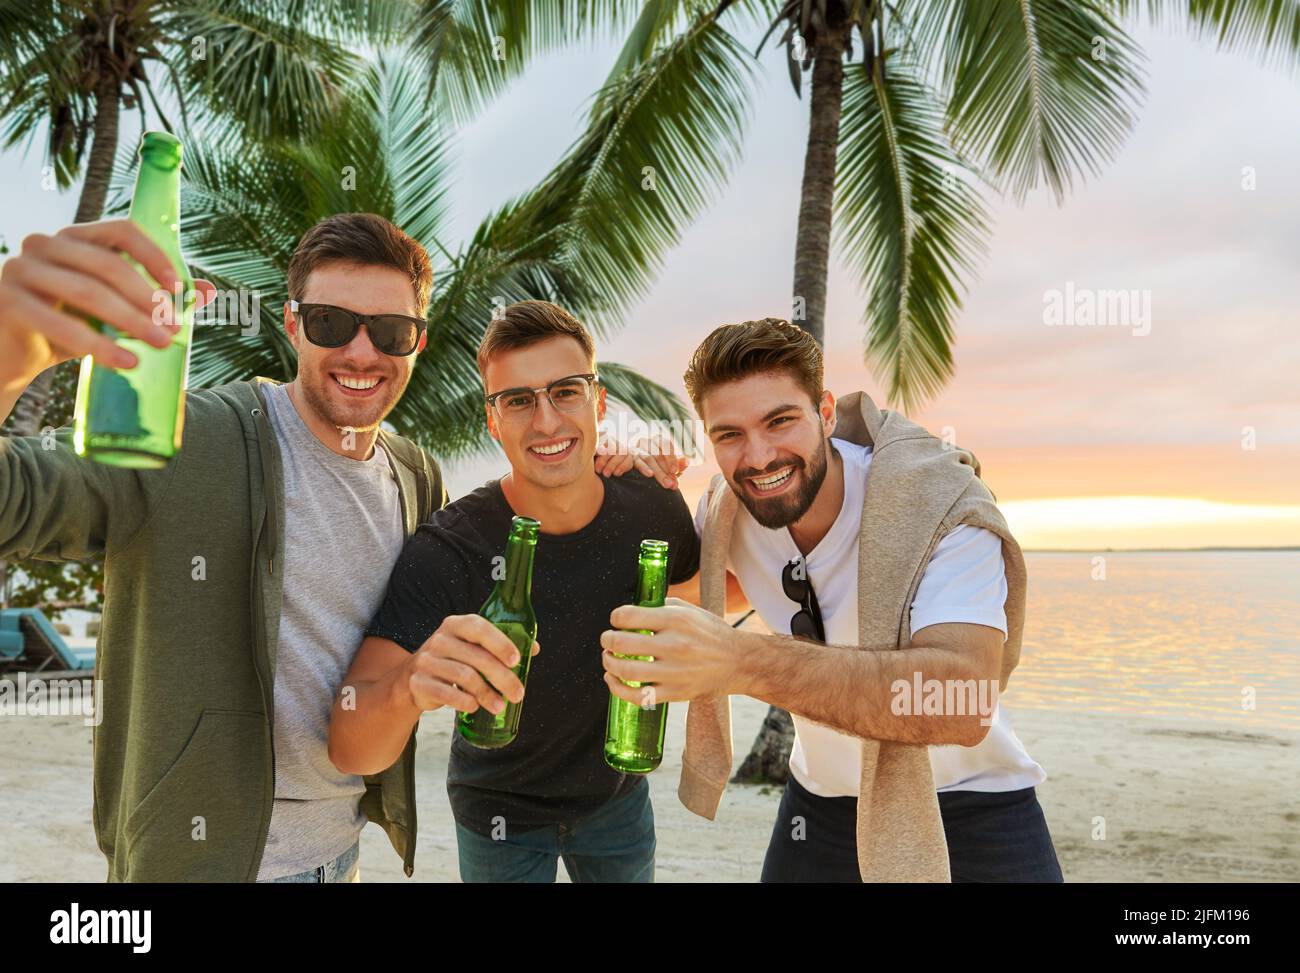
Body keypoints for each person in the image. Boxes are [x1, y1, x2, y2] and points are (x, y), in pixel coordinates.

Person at [601, 317, 1062, 882]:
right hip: (818, 807)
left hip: (972, 810)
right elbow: (679, 599)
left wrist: (742, 662)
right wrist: (619, 484)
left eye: (780, 421)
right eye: (730, 434)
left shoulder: (942, 506)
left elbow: (962, 700)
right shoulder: (729, 512)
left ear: (824, 411)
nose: (760, 456)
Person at [330, 300, 697, 883]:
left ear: (597, 403)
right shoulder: (450, 547)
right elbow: (351, 745)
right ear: (492, 421)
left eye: (566, 391)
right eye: (519, 401)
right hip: (495, 810)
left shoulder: (652, 506)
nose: (547, 421)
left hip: (616, 800)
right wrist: (411, 682)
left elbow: (704, 595)